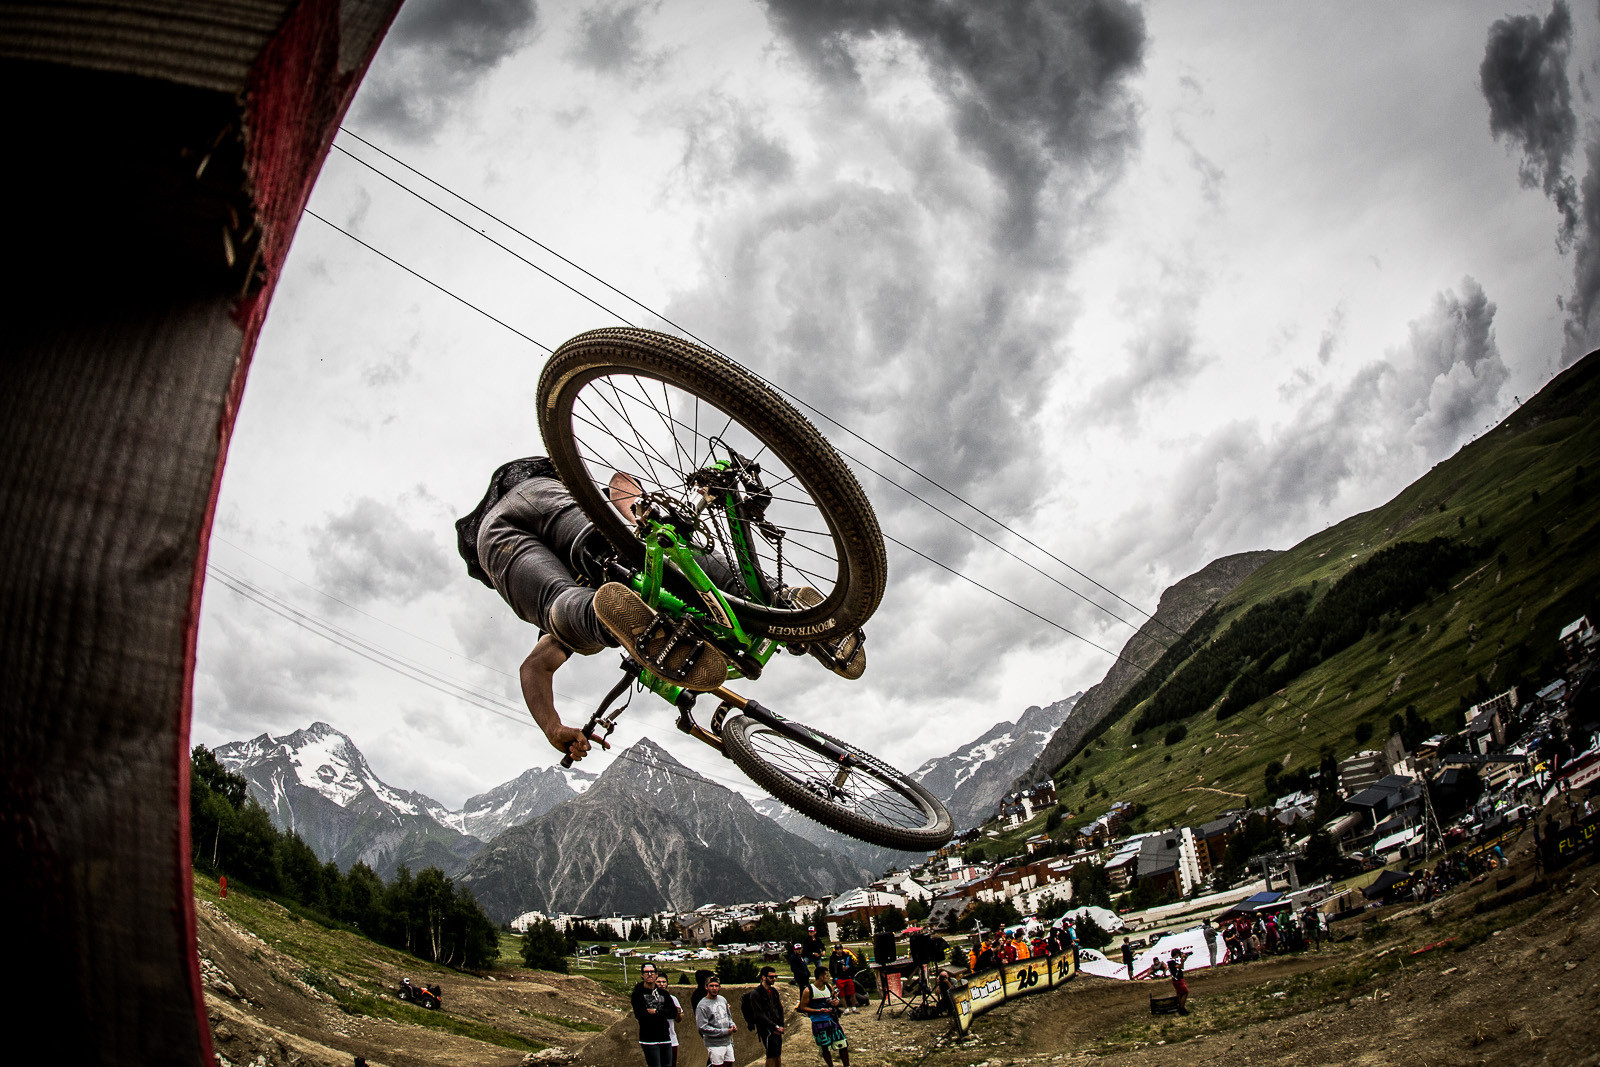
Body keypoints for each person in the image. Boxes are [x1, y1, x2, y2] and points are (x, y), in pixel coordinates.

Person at [455, 460, 867, 764]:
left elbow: (535, 668)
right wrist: (642, 515)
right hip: (544, 491)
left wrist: (552, 727)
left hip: (496, 537)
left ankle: (626, 625)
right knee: (650, 551)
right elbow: (619, 485)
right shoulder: (558, 479)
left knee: (563, 607)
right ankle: (785, 603)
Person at [798, 966, 850, 1067]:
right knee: (825, 1047)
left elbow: (833, 999)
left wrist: (835, 1002)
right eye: (827, 975)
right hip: (819, 1022)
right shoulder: (808, 990)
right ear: (821, 976)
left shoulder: (829, 987)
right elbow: (803, 1007)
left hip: (832, 1020)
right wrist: (818, 1010)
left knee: (842, 1044)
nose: (829, 977)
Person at [741, 966, 787, 1067]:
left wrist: (781, 1024)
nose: (774, 979)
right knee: (771, 1055)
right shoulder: (755, 994)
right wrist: (775, 1026)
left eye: (775, 977)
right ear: (763, 977)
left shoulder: (773, 991)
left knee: (777, 1054)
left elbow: (780, 1008)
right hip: (766, 1029)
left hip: (776, 1027)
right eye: (771, 977)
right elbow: (759, 1014)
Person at [632, 963, 674, 1067]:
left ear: (656, 975)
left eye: (652, 972)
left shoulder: (664, 994)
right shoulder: (638, 993)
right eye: (646, 972)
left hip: (665, 1037)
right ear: (642, 975)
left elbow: (672, 1012)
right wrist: (662, 1013)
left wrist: (656, 1012)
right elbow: (640, 1015)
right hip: (649, 1038)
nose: (650, 974)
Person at [695, 976, 739, 1067]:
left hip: (727, 1041)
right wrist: (725, 1031)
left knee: (729, 1064)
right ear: (706, 987)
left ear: (719, 987)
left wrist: (732, 1025)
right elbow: (702, 1027)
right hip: (714, 1044)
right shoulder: (702, 1005)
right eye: (711, 986)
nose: (714, 988)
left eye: (716, 986)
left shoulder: (722, 999)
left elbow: (728, 1017)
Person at [657, 972, 683, 1067]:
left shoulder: (673, 999)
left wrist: (678, 1013)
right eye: (659, 982)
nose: (662, 984)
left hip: (671, 1040)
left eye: (664, 982)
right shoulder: (651, 999)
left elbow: (679, 1020)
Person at [1169, 948, 1190, 1015]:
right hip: (1178, 980)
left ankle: (1179, 1008)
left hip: (1175, 980)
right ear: (1177, 954)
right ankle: (1182, 1008)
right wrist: (1182, 961)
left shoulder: (1171, 961)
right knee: (1185, 993)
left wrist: (1183, 960)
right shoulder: (1173, 962)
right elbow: (1181, 967)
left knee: (1179, 994)